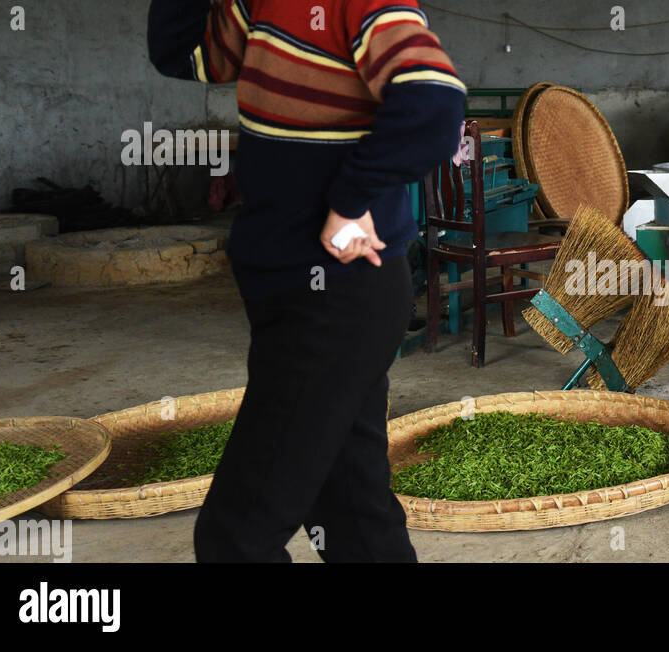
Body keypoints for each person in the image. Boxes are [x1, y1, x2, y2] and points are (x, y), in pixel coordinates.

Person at [147, 0, 465, 562]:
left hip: (338, 302)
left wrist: (350, 200)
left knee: (235, 537)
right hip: (289, 293)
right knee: (351, 511)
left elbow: (434, 99)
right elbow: (184, 56)